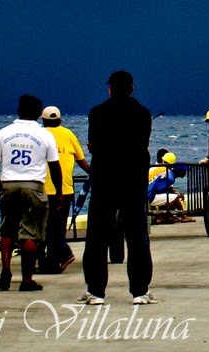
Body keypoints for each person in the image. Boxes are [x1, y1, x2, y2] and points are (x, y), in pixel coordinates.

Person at [83, 69, 155, 305]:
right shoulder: (143, 114)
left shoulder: (97, 113)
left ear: (110, 89)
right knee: (137, 237)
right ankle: (140, 291)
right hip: (133, 180)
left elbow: (93, 145)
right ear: (132, 88)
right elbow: (143, 144)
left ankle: (95, 291)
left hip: (104, 179)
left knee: (97, 236)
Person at [0, 94, 61, 293]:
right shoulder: (45, 135)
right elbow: (55, 167)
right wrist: (58, 193)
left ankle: (6, 270)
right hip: (33, 185)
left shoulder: (4, 133)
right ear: (37, 114)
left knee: (7, 230)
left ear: (18, 110)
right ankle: (26, 280)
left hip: (8, 184)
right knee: (30, 234)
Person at [40, 106, 88, 274]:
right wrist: (93, 173)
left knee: (44, 228)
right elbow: (81, 159)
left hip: (42, 189)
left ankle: (54, 260)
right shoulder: (69, 134)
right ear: (60, 120)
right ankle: (57, 258)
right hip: (65, 189)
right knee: (57, 227)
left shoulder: (40, 134)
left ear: (43, 120)